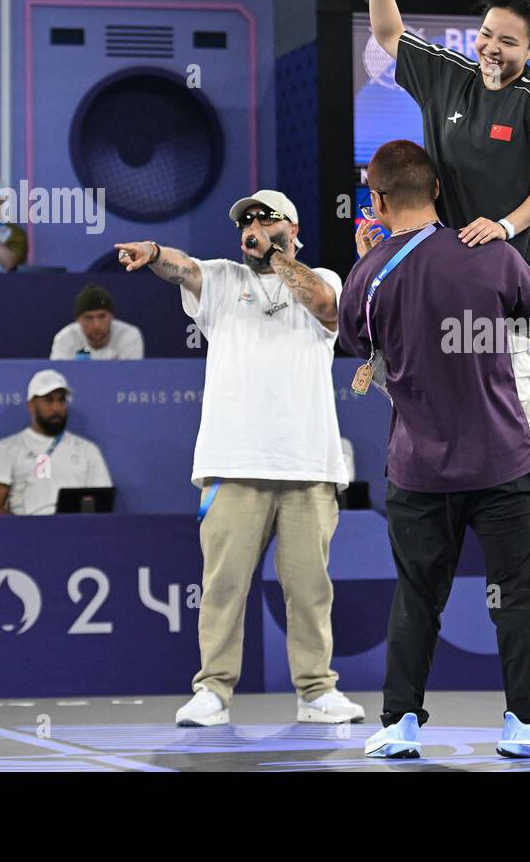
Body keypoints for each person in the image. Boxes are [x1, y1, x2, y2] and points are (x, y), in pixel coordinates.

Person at [340, 140, 530, 758]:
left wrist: (374, 267)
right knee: (518, 597)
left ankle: (398, 725)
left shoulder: (367, 276)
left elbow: (358, 343)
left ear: (377, 200)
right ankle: (526, 724)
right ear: (439, 191)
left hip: (418, 471)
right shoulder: (491, 254)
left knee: (417, 595)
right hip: (505, 460)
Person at [114, 189, 363, 727]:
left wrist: (278, 256)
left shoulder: (325, 279)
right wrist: (155, 251)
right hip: (233, 462)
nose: (251, 225)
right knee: (223, 585)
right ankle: (214, 692)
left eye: (264, 218)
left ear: (292, 228)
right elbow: (183, 269)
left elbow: (326, 309)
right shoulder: (226, 280)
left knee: (309, 587)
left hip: (307, 465)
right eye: (245, 220)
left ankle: (317, 691)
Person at [364, 0, 530, 566]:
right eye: (486, 34)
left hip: (500, 291)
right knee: (422, 395)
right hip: (435, 285)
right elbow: (387, 34)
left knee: (515, 407)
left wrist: (505, 227)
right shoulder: (447, 75)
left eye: (508, 41)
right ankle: (426, 534)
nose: (491, 48)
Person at [0, 369, 112, 516]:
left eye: (61, 400)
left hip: (74, 534)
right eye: (49, 400)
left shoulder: (88, 450)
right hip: (24, 535)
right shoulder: (5, 449)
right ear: (31, 405)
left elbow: (101, 505)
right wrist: (25, 533)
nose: (56, 408)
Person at [50, 284, 145, 360]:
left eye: (102, 316)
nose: (96, 325)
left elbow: (130, 377)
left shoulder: (129, 335)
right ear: (78, 320)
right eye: (88, 318)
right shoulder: (65, 338)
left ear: (112, 316)